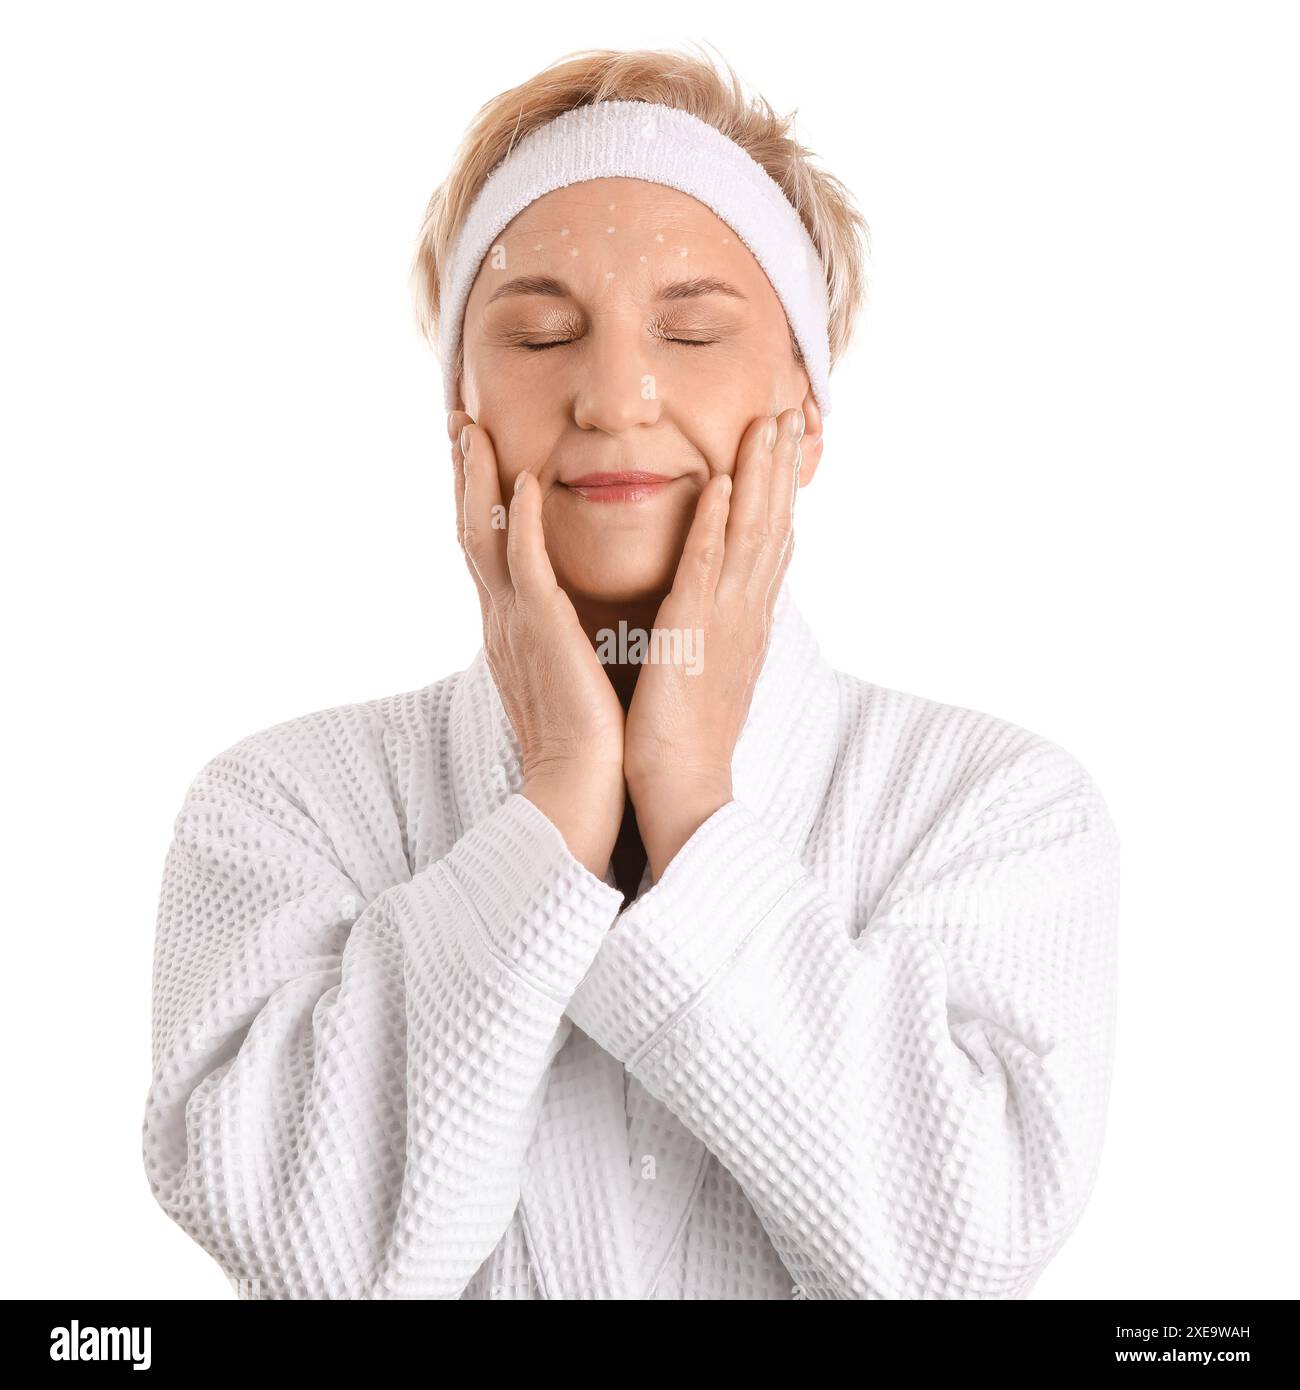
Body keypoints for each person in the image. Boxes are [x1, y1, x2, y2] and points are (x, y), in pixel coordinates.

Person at [140, 45, 1120, 1300]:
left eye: (692, 328)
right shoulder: (281, 807)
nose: (614, 393)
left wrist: (692, 802)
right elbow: (320, 1262)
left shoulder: (994, 808)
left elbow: (951, 1255)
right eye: (542, 333)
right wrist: (556, 802)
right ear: (463, 417)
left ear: (806, 415)